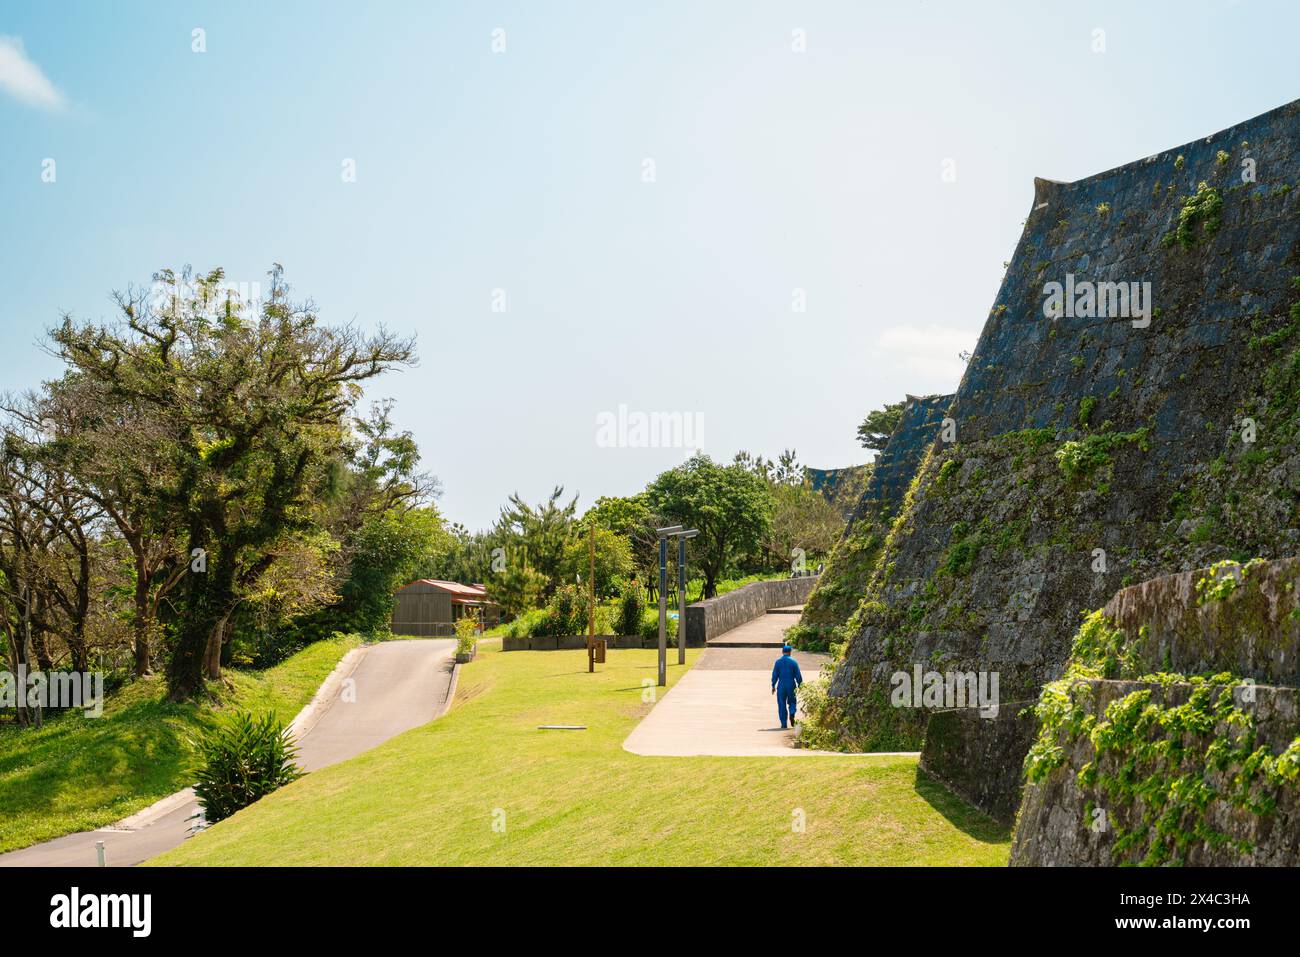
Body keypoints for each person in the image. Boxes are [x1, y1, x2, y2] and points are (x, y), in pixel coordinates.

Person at [771, 644, 803, 729]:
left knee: (781, 704)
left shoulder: (778, 662)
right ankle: (792, 712)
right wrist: (800, 685)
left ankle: (784, 724)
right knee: (792, 701)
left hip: (781, 685)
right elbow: (798, 675)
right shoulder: (793, 662)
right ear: (790, 652)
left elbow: (775, 675)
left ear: (782, 652)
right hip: (791, 684)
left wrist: (773, 685)